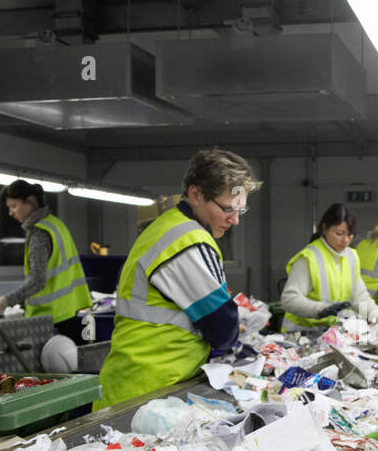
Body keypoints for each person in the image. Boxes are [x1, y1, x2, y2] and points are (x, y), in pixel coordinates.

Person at [95, 148, 261, 411]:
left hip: (145, 384)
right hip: (147, 392)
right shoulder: (186, 242)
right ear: (196, 195)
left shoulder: (169, 228)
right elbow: (221, 326)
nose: (235, 220)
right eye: (228, 209)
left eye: (240, 209)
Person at [0, 180, 91, 342]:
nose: (10, 213)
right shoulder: (56, 224)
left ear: (30, 202)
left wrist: (5, 302)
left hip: (51, 319)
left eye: (13, 206)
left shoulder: (39, 234)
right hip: (71, 311)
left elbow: (37, 281)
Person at [281, 204, 378, 331]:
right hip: (301, 334)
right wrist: (321, 309)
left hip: (331, 334)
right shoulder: (309, 258)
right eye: (339, 233)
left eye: (350, 234)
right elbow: (289, 300)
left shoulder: (351, 256)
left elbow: (360, 298)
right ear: (324, 228)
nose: (345, 240)